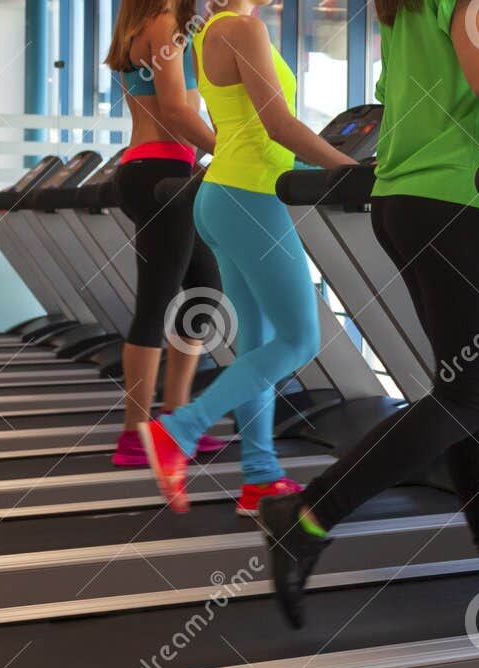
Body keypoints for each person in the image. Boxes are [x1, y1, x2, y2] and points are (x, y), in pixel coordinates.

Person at [259, 0, 479, 627]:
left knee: (462, 393)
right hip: (455, 203)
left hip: (405, 203)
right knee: (468, 397)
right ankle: (308, 514)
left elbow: (400, 95)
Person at [141, 0, 357, 517]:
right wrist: (351, 168)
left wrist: (322, 163)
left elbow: (254, 132)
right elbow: (278, 124)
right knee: (299, 338)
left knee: (257, 345)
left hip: (223, 196)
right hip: (249, 197)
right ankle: (180, 429)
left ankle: (260, 477)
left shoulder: (209, 32)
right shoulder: (243, 29)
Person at [104, 0, 227, 467]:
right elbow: (176, 109)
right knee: (155, 303)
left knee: (205, 290)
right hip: (161, 175)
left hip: (154, 171)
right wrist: (227, 149)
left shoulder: (139, 24)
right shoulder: (165, 24)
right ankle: (136, 432)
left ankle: (174, 422)